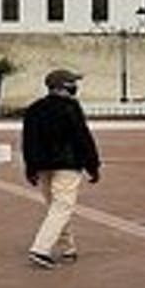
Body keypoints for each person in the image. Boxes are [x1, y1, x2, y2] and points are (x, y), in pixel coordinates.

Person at [21, 67, 100, 269]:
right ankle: (40, 249)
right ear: (64, 86)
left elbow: (28, 142)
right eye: (73, 83)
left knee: (56, 207)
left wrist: (30, 167)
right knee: (62, 207)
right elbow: (82, 137)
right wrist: (93, 165)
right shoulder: (70, 107)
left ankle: (68, 248)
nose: (76, 87)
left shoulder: (34, 109)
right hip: (68, 164)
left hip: (42, 165)